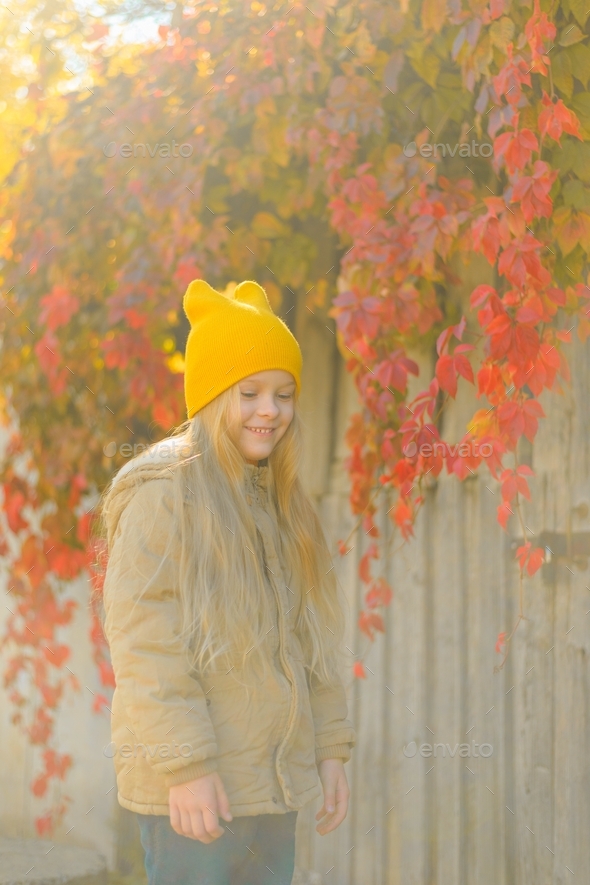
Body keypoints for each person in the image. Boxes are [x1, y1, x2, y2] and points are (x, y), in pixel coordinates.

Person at [97, 279, 355, 885]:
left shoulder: (281, 504)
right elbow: (144, 643)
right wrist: (187, 766)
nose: (271, 410)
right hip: (194, 797)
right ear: (212, 396)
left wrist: (330, 749)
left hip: (271, 789)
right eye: (250, 392)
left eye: (284, 394)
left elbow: (307, 642)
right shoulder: (163, 496)